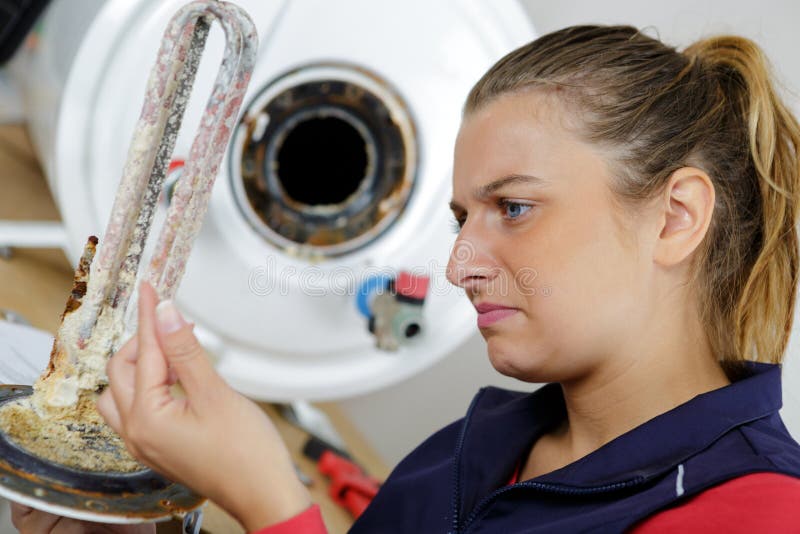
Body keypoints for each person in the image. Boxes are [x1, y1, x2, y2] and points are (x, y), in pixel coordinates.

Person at [12, 24, 800, 533]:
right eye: (462, 220)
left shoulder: (758, 512)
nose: (458, 267)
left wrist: (271, 501)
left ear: (675, 218)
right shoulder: (474, 449)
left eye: (514, 208)